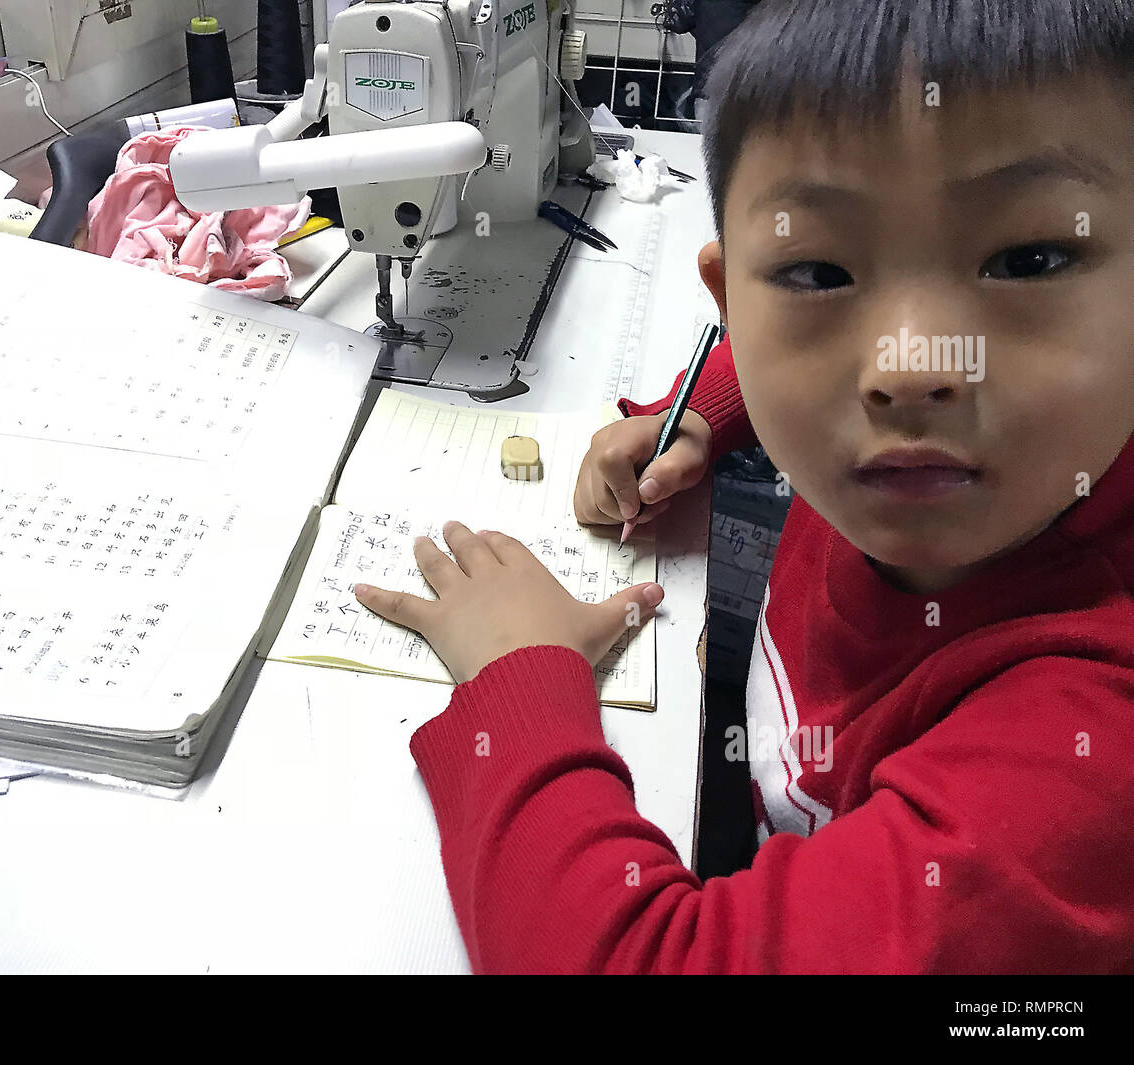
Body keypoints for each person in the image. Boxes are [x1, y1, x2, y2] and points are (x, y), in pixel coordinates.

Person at [353, 0, 1134, 973]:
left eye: (1027, 261)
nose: (905, 364)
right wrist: (707, 413)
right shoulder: (960, 461)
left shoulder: (1081, 756)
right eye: (816, 275)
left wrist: (521, 673)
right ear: (732, 299)